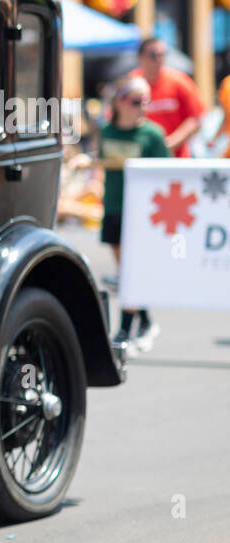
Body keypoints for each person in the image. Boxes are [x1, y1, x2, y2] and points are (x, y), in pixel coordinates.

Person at [96, 76, 169, 351]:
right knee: (126, 268)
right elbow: (101, 160)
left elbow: (166, 173)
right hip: (113, 206)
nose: (143, 107)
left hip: (140, 211)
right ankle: (146, 320)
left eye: (146, 102)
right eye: (137, 101)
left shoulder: (152, 135)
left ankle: (125, 328)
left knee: (129, 269)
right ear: (120, 102)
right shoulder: (107, 131)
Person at [131, 37, 203, 158]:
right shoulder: (131, 84)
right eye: (153, 55)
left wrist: (169, 143)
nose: (159, 59)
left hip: (176, 157)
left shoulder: (180, 81)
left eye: (162, 55)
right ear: (141, 57)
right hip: (140, 156)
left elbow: (195, 119)